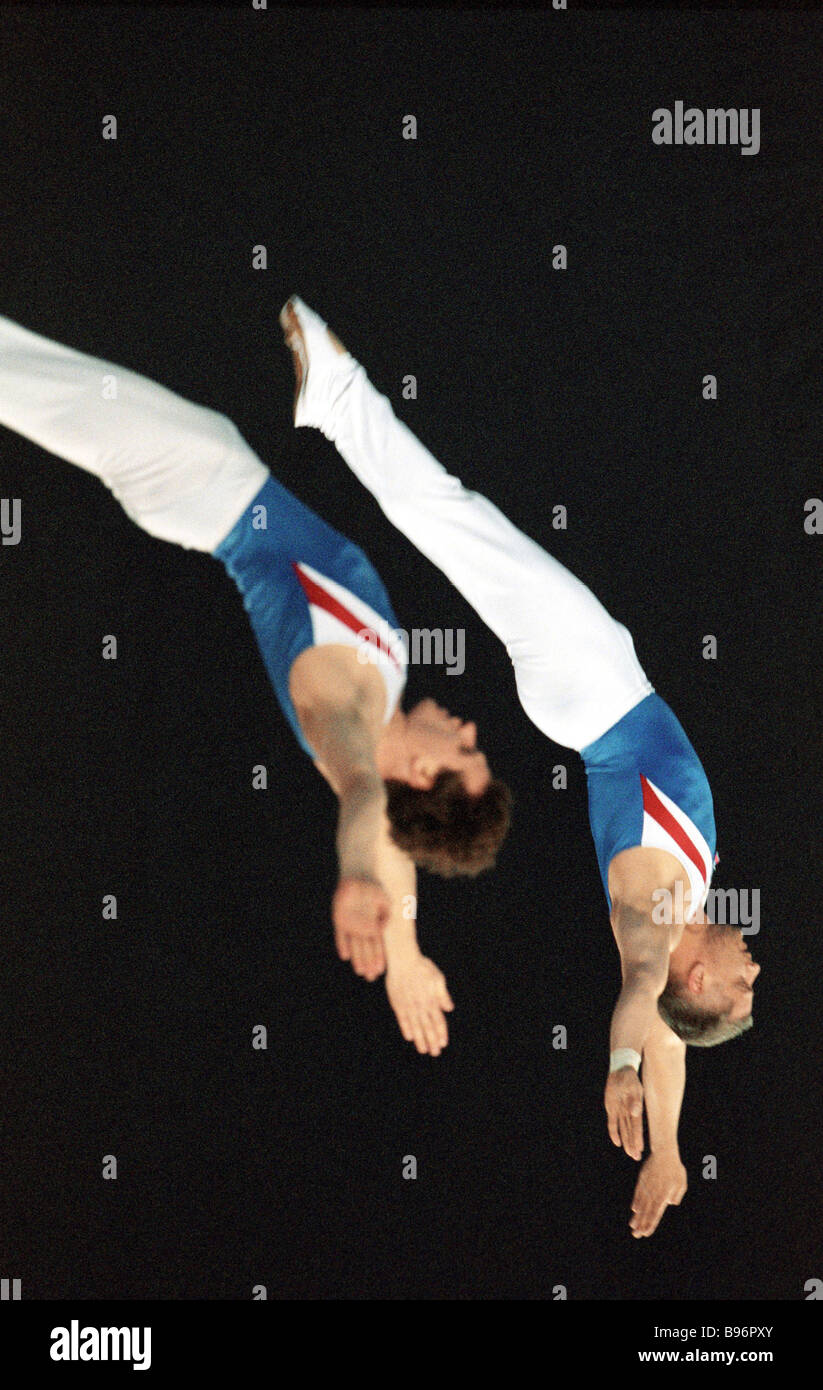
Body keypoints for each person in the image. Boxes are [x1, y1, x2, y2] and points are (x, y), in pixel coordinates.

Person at [279, 296, 761, 1237]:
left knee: (457, 524)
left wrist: (619, 1069)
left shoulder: (653, 933)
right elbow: (670, 1040)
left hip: (594, 692)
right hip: (595, 691)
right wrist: (665, 1146)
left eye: (743, 984)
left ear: (698, 978)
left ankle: (336, 392)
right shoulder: (678, 913)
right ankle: (336, 400)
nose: (755, 966)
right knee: (460, 530)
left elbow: (640, 1013)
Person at [0, 312, 512, 1057]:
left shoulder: (349, 718)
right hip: (212, 475)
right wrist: (402, 952)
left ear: (425, 770)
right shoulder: (387, 691)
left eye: (466, 752)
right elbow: (394, 837)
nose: (469, 730)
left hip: (196, 483)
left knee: (19, 377)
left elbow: (370, 801)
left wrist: (352, 878)